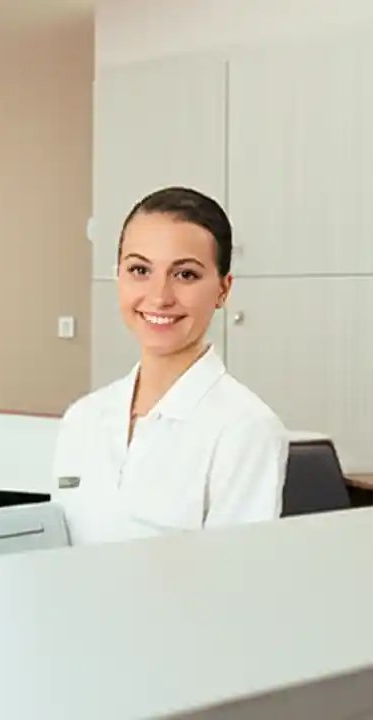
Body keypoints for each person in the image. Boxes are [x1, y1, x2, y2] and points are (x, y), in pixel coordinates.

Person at [52, 186, 288, 545]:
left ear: (224, 289)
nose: (160, 296)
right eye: (140, 269)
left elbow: (237, 586)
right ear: (118, 276)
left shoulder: (245, 430)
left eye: (186, 275)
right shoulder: (82, 419)